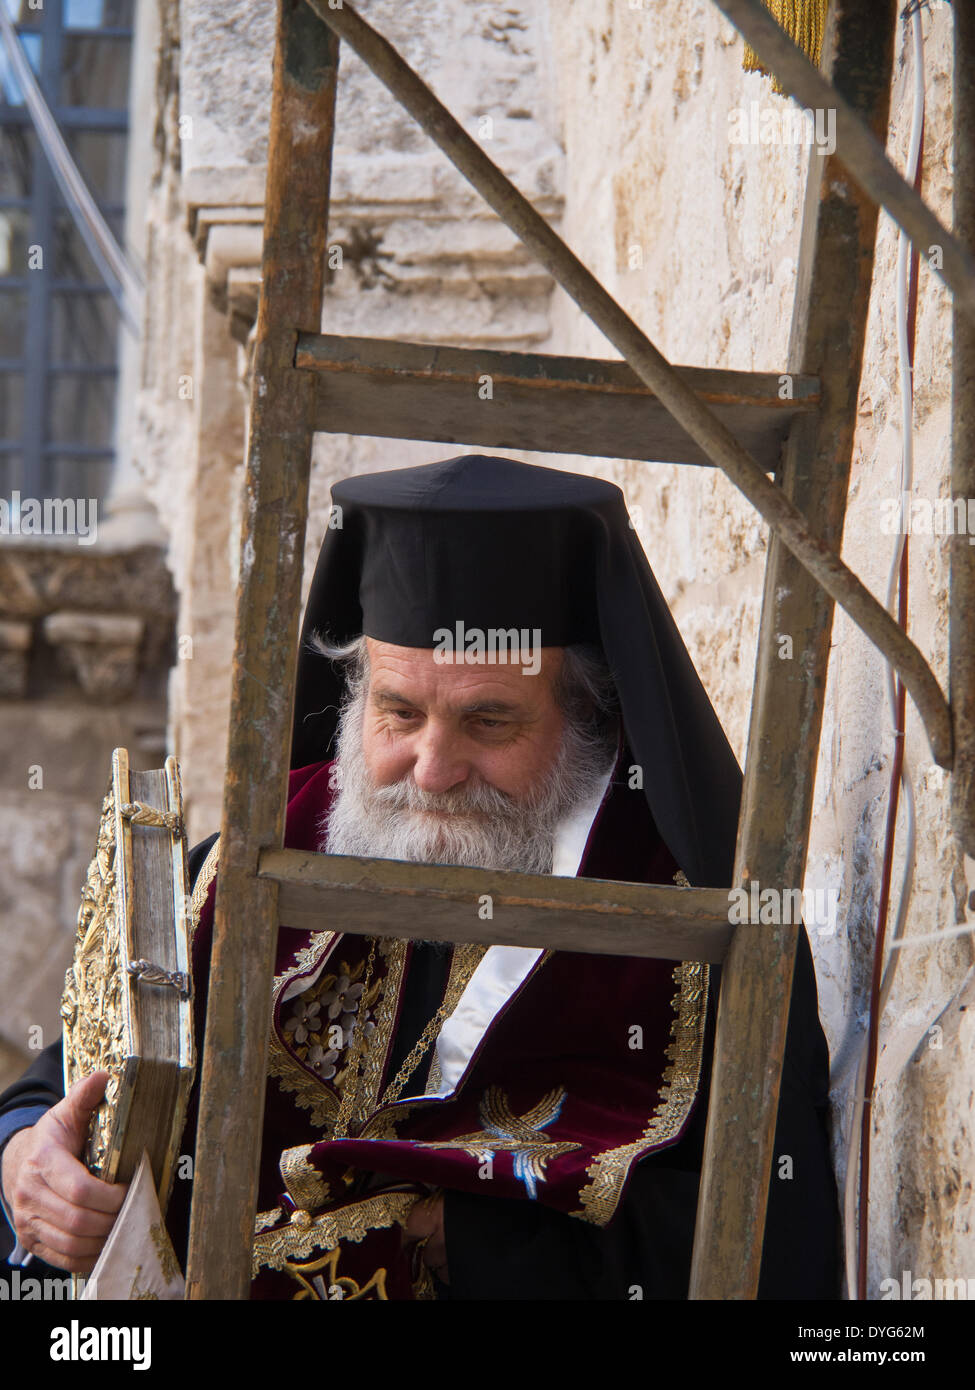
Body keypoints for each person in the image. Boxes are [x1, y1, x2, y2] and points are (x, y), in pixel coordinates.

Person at [0, 454, 840, 1299]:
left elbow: (769, 1247)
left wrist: (464, 1240)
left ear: (588, 715)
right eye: (399, 712)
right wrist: (28, 1158)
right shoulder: (252, 861)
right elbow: (69, 1079)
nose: (432, 769)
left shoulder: (706, 929)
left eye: (488, 721)